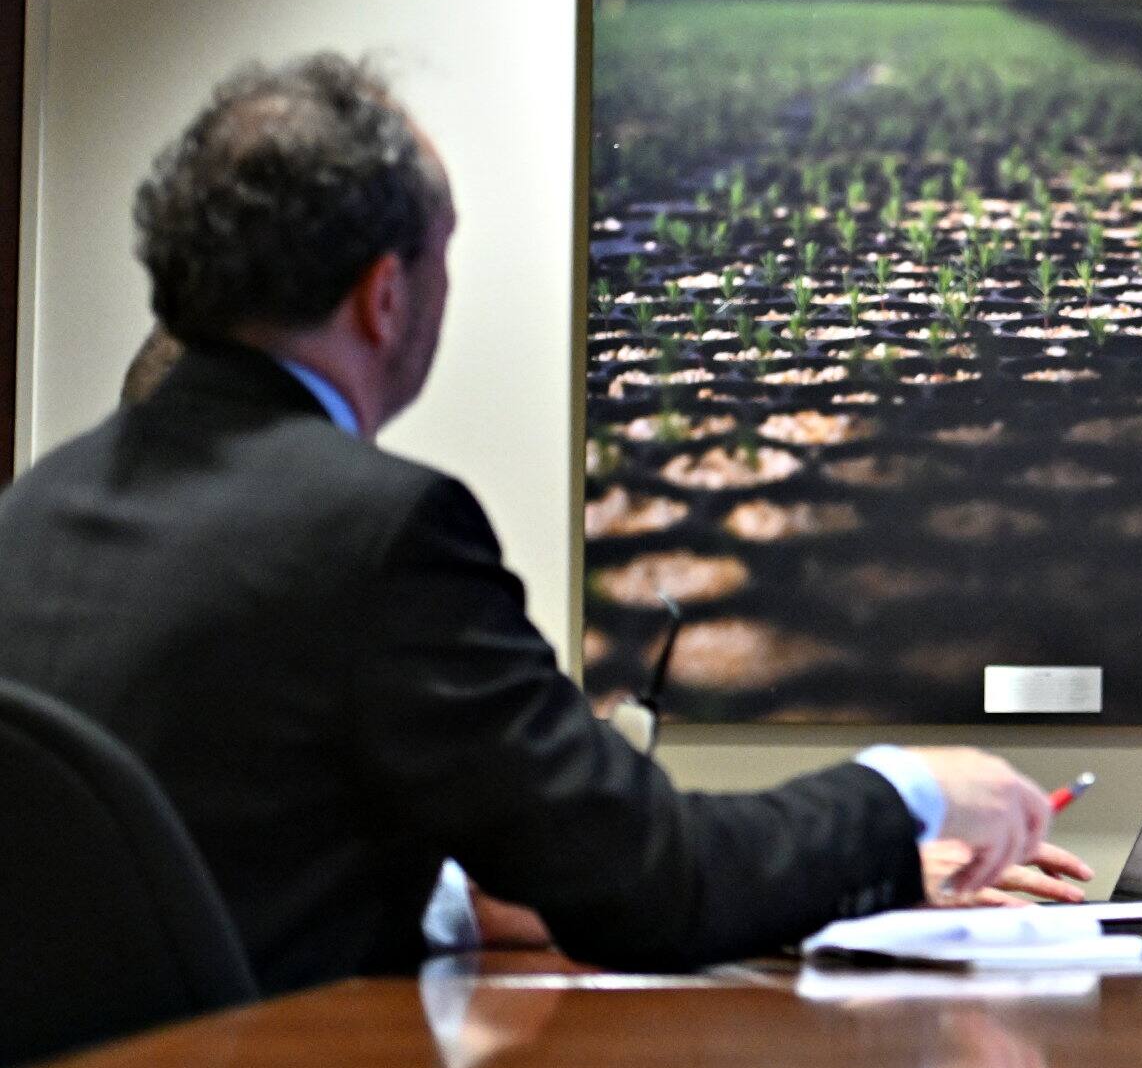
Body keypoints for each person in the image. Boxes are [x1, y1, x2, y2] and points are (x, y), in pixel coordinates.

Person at [0, 56, 1073, 995]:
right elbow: (649, 883)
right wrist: (904, 790)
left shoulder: (33, 510)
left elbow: (252, 858)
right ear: (385, 295)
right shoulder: (375, 530)